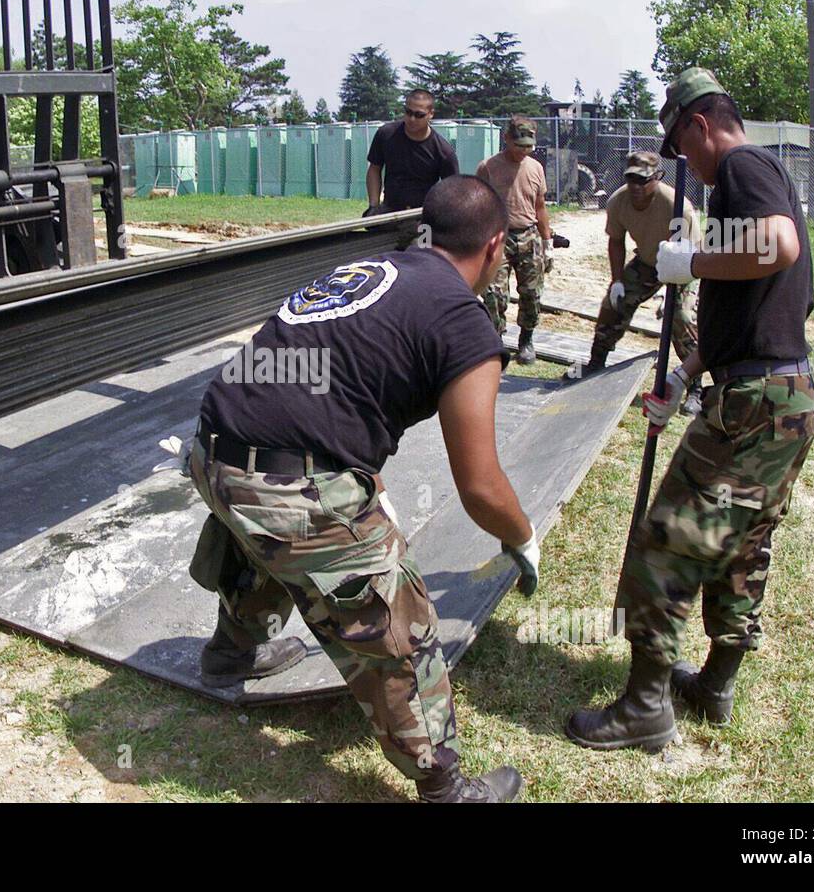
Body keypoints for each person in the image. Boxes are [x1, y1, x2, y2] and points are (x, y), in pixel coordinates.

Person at [187, 175, 538, 802]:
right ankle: (445, 783)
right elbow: (481, 485)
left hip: (211, 454)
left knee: (262, 537)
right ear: (493, 246)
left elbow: (324, 380)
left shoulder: (372, 269)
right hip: (282, 487)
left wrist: (355, 471)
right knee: (396, 617)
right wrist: (522, 536)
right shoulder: (464, 322)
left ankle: (229, 656)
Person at [565, 67, 814, 750]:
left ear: (699, 125)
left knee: (668, 542)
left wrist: (693, 262)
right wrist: (687, 373)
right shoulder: (765, 177)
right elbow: (773, 307)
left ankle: (644, 708)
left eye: (683, 148)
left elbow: (779, 247)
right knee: (742, 544)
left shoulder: (741, 165)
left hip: (755, 404)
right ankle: (714, 685)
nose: (688, 166)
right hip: (784, 394)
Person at [568, 150, 704, 415]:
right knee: (613, 303)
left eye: (643, 180)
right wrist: (617, 280)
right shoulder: (618, 202)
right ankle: (596, 362)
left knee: (683, 316)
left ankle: (696, 388)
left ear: (658, 178)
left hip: (683, 264)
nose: (636, 187)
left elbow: (692, 251)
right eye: (631, 179)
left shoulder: (677, 206)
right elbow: (616, 240)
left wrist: (672, 293)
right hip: (649, 262)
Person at [475, 116, 553, 364]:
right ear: (506, 139)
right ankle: (496, 342)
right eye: (519, 145)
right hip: (498, 236)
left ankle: (526, 340)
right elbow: (479, 205)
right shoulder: (488, 167)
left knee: (531, 293)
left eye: (528, 146)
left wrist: (547, 242)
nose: (524, 151)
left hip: (529, 236)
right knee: (494, 295)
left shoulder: (536, 168)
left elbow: (540, 207)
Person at [365, 89, 458, 248]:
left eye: (419, 115)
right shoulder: (386, 134)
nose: (412, 119)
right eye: (408, 112)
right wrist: (374, 206)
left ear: (431, 114)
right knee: (383, 264)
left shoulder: (443, 151)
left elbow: (453, 190)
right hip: (389, 213)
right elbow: (374, 168)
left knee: (421, 264)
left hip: (422, 219)